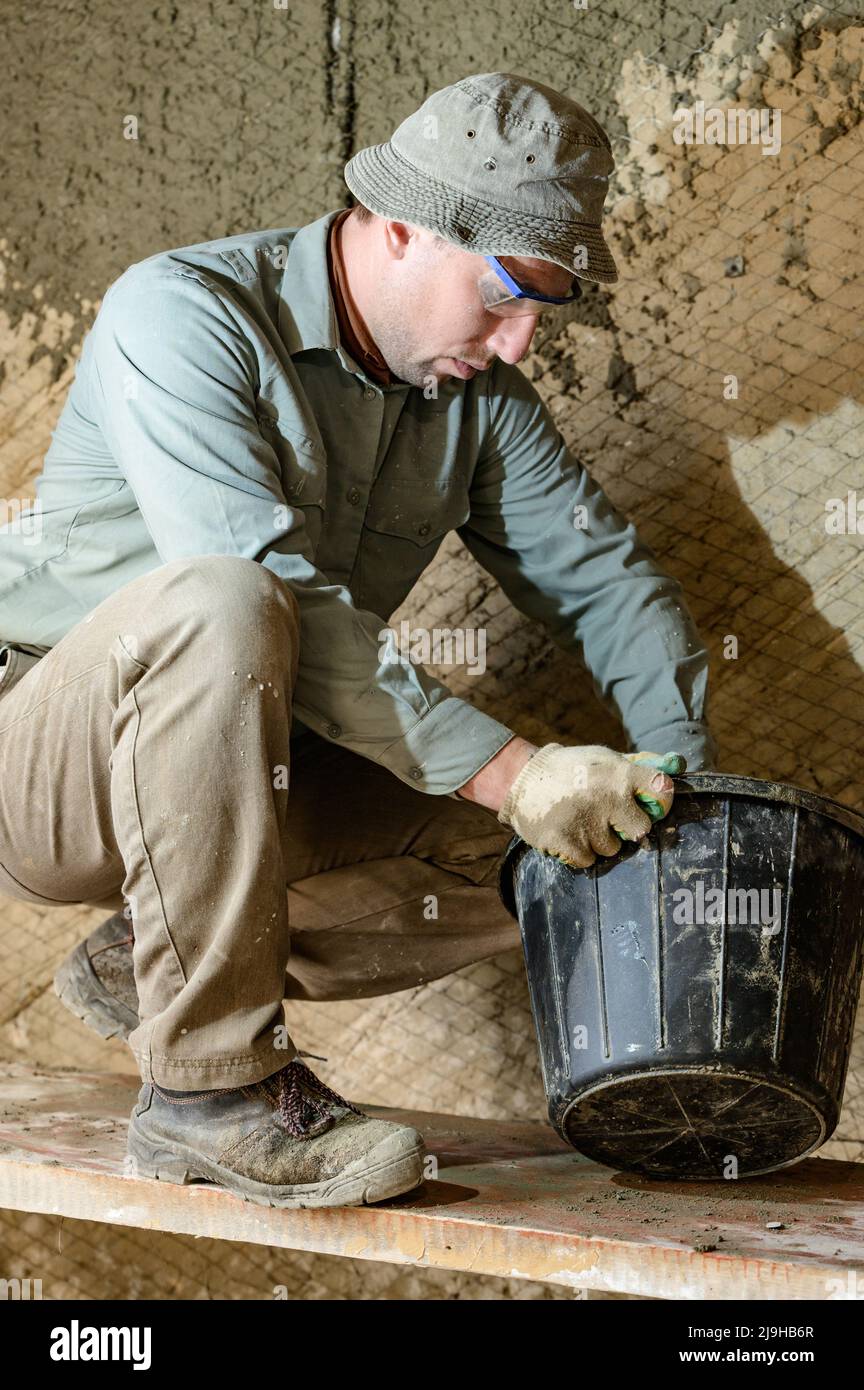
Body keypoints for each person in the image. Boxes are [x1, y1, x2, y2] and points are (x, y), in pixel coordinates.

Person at [0, 73, 716, 1209]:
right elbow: (264, 589)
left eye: (549, 307)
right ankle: (208, 1091)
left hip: (250, 769)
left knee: (581, 849)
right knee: (226, 601)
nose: (523, 342)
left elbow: (608, 582)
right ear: (399, 228)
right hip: (51, 762)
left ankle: (156, 960)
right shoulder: (180, 312)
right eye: (508, 293)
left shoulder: (478, 404)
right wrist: (514, 768)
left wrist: (684, 783)